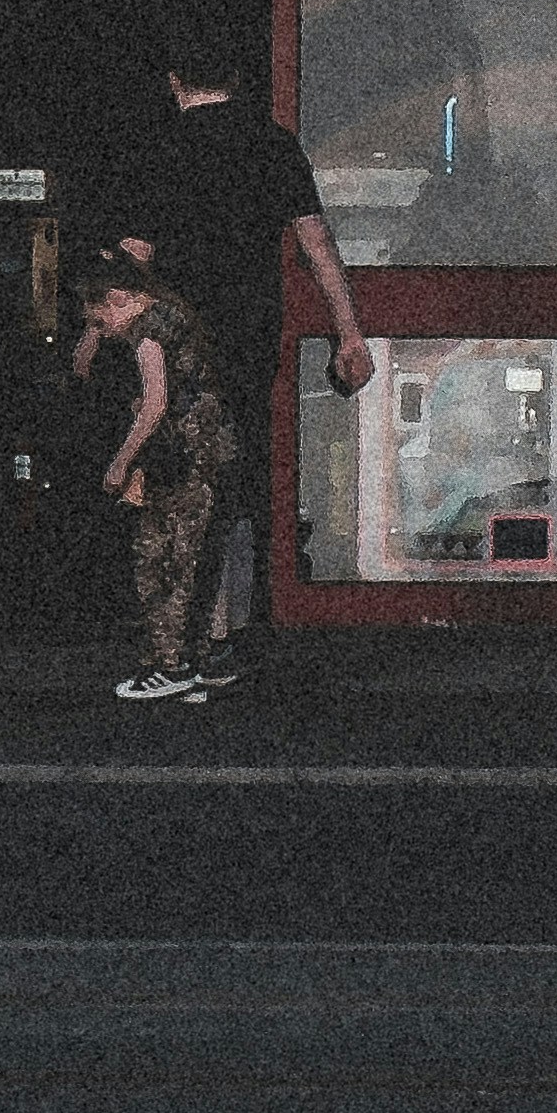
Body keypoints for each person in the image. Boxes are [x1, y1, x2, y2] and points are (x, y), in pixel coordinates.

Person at [98, 41, 361, 670]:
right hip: (249, 336)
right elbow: (317, 246)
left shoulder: (159, 150)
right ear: (238, 80)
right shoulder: (274, 145)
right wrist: (348, 330)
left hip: (174, 341)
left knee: (174, 481)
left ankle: (180, 641)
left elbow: (133, 255)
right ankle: (224, 626)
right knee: (230, 473)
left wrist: (96, 335)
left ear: (174, 80)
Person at [72, 262, 239, 705]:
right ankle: (197, 663)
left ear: (118, 299)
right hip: (207, 453)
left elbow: (154, 405)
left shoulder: (149, 334)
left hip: (181, 459)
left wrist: (120, 462)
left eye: (100, 319)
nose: (103, 330)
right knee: (194, 559)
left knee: (160, 560)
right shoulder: (176, 314)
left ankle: (169, 667)